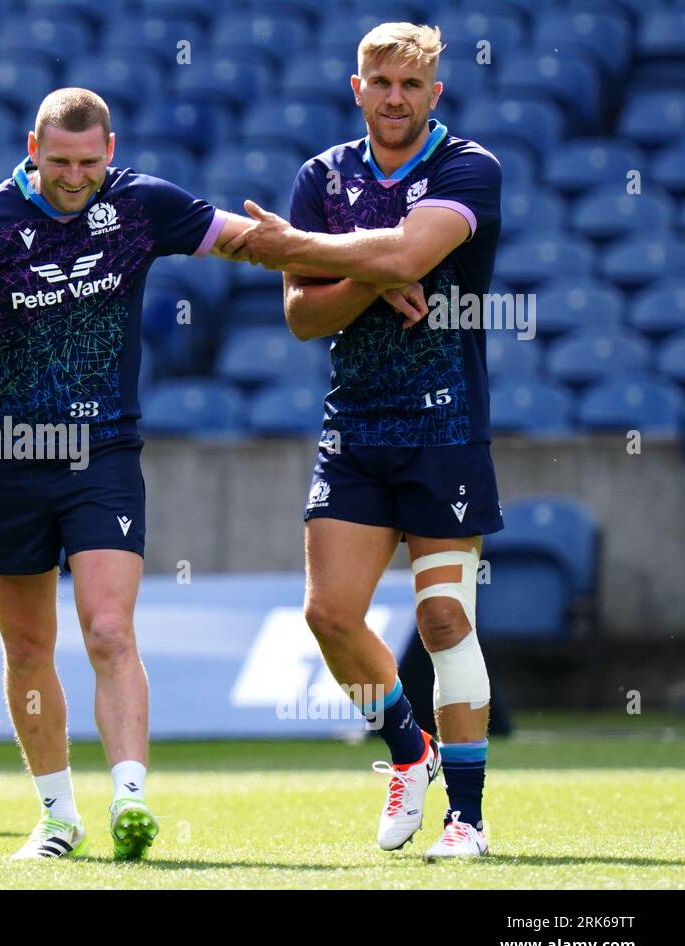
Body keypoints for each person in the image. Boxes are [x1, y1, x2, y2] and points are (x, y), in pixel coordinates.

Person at [0, 87, 427, 860]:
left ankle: (129, 798)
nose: (76, 176)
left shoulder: (142, 205)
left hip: (105, 457)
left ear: (110, 151)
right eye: (60, 162)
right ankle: (56, 817)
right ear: (31, 148)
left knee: (110, 629)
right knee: (26, 648)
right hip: (9, 460)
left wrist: (364, 267)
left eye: (89, 161)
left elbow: (249, 241)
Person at [227, 23, 502, 859]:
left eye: (410, 87)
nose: (394, 98)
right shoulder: (324, 176)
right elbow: (304, 316)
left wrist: (295, 247)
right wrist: (372, 276)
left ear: (434, 96)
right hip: (355, 425)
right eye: (380, 83)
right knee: (328, 614)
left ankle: (467, 816)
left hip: (444, 422)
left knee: (447, 618)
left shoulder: (468, 167)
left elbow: (416, 246)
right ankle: (408, 752)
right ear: (358, 89)